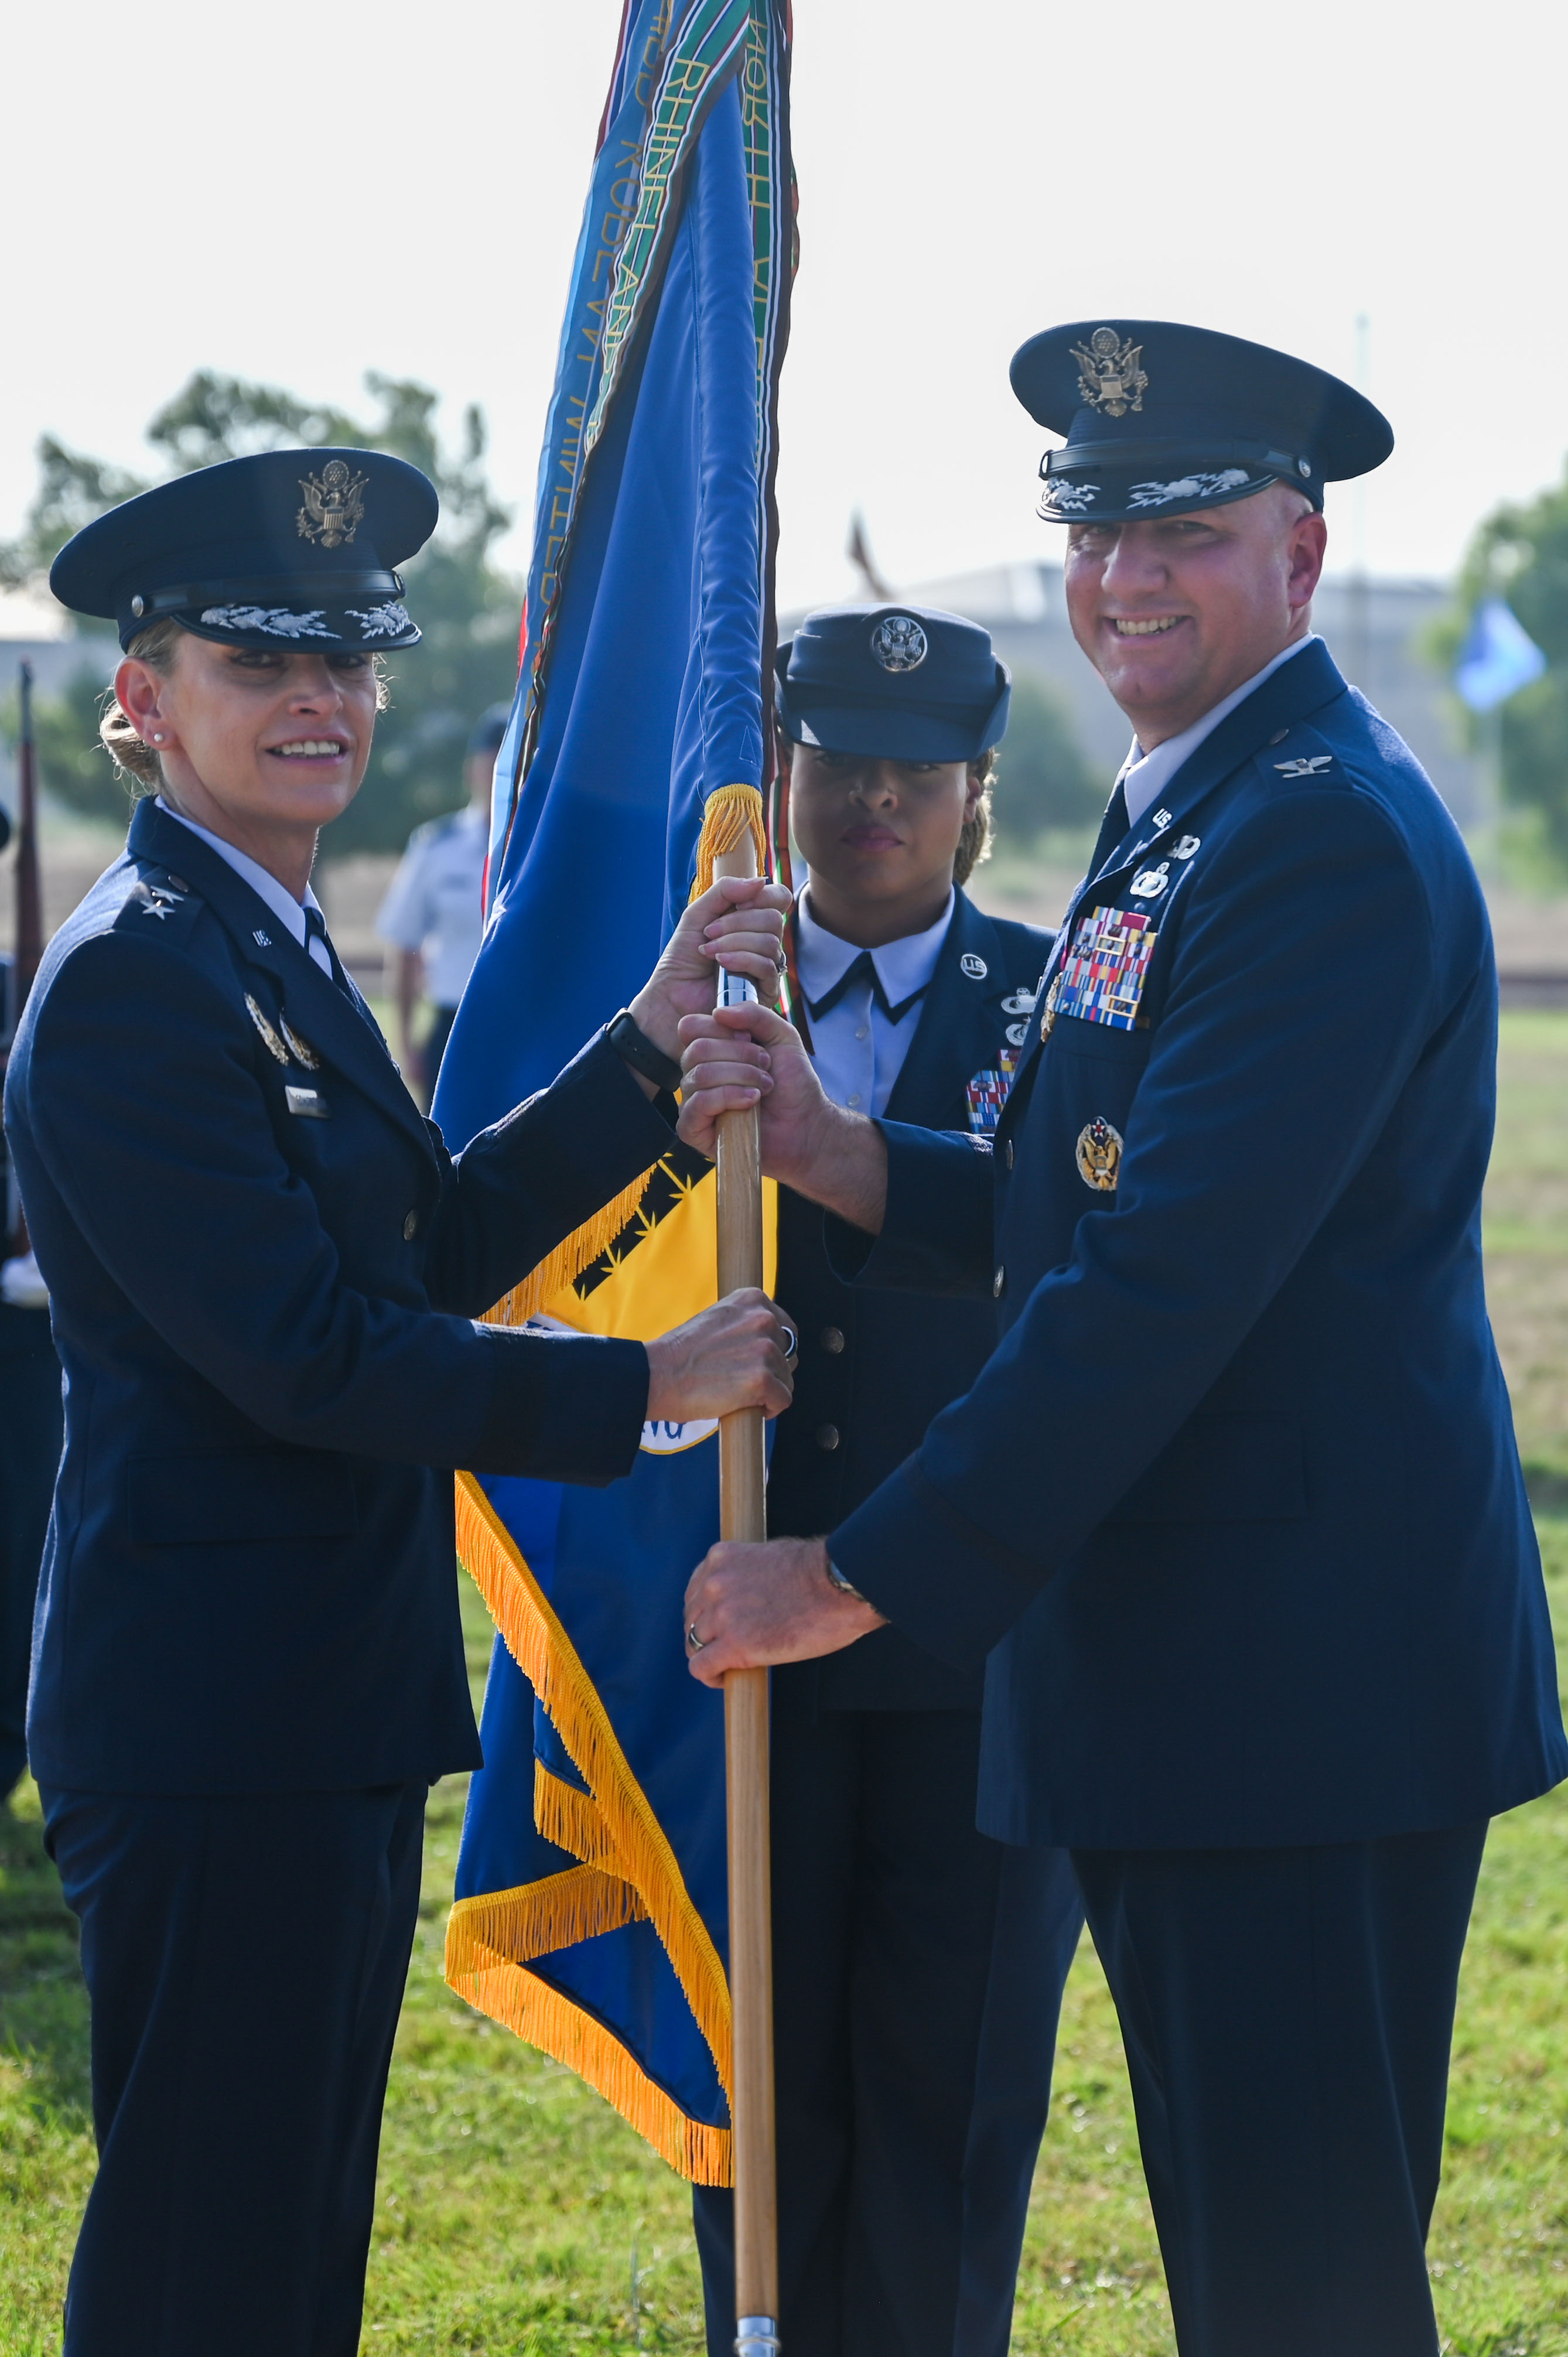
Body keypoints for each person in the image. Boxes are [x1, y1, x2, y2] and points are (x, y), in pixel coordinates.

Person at [674, 323, 1568, 2357]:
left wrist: (847, 1574)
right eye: (1093, 528)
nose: (1124, 575)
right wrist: (846, 1158)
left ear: (1300, 553)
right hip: (1208, 1683)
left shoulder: (1312, 833)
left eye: (1183, 526)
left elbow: (1157, 1284)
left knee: (1299, 2285)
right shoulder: (1199, 808)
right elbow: (1095, 1186)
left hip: (1293, 1690)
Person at [13, 446, 795, 2357]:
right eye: (256, 663)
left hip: (311, 1707)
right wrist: (639, 1389)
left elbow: (426, 1241)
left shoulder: (265, 943)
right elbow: (305, 1353)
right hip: (210, 1719)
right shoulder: (137, 983)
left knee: (287, 2249)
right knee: (210, 2250)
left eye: (346, 664)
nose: (318, 702)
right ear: (141, 700)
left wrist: (645, 1045)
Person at [692, 606, 1084, 2357]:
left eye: (915, 771)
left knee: (949, 2109)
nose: (871, 800)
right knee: (759, 2125)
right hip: (740, 1656)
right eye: (836, 759)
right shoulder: (696, 995)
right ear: (782, 778)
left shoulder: (1064, 1005)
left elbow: (1093, 1274)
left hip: (970, 1663)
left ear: (974, 795)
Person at [376, 701, 503, 1101]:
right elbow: (403, 944)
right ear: (473, 770)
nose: (501, 777)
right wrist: (405, 1040)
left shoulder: (543, 849)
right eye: (492, 764)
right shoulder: (436, 846)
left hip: (525, 1024)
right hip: (452, 1026)